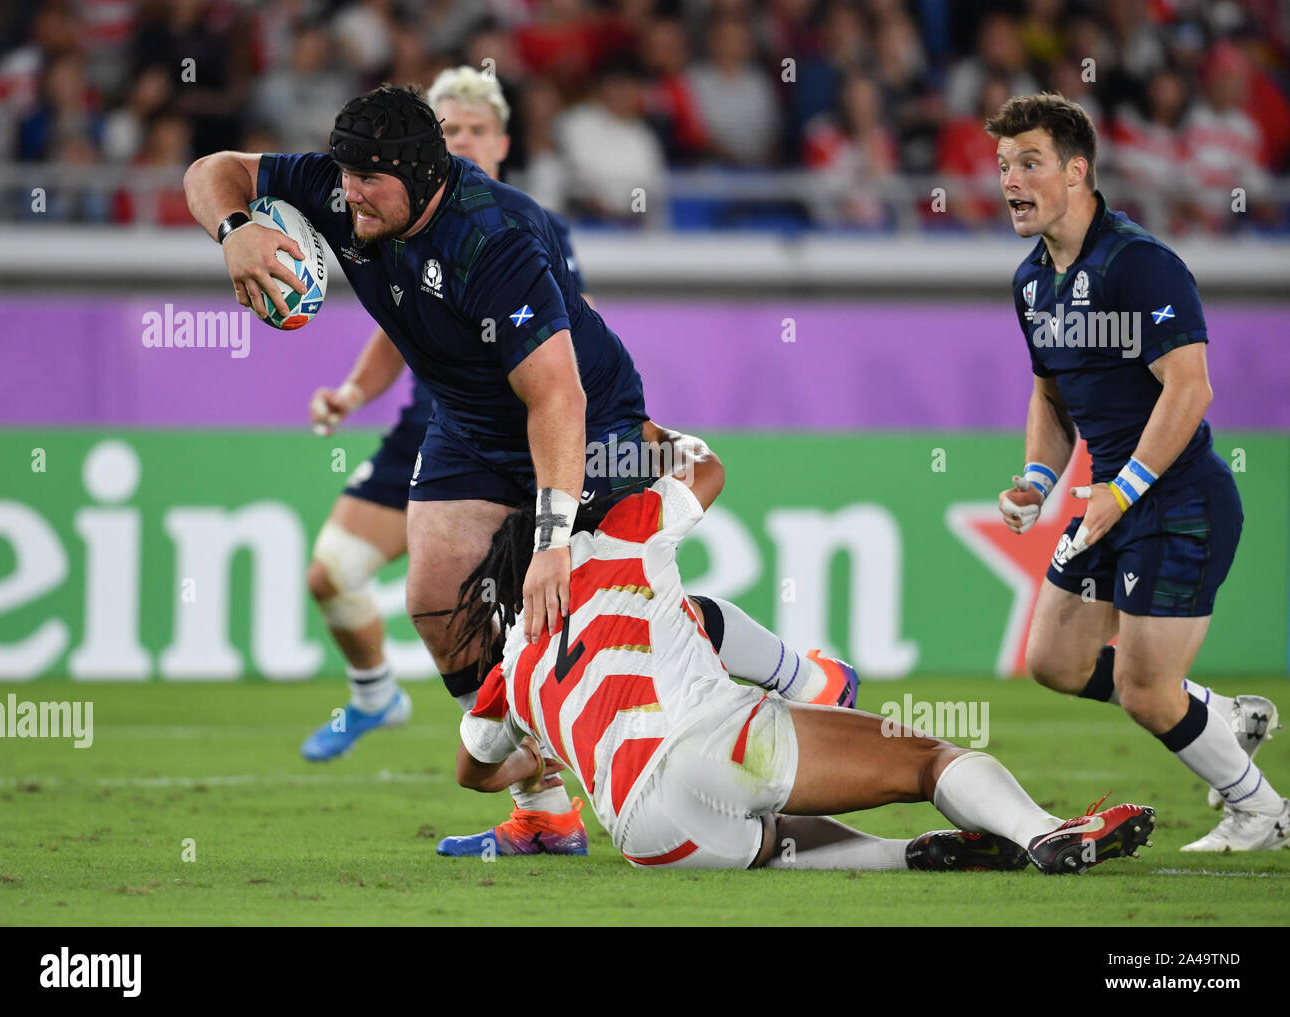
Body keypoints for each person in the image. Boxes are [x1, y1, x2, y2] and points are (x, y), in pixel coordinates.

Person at [184, 79, 855, 859]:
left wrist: (550, 540)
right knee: (437, 599)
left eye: (368, 180)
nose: (349, 197)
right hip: (469, 424)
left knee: (611, 598)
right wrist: (235, 228)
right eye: (345, 176)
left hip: (589, 422)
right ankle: (545, 810)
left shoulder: (497, 237)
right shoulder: (345, 190)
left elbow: (557, 399)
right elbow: (214, 167)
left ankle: (801, 674)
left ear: (420, 173)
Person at [450, 428, 1155, 873]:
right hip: (712, 745)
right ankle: (1043, 833)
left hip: (645, 837)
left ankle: (905, 856)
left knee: (771, 834)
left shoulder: (512, 671)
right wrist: (636, 427)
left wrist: (544, 754)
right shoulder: (624, 532)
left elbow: (472, 770)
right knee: (929, 760)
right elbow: (708, 467)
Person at [989, 93, 1285, 853]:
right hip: (1106, 501)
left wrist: (1121, 492)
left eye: (1029, 163)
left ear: (1077, 170)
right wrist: (1033, 479)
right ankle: (1217, 714)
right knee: (1053, 660)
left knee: (1144, 691)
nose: (1010, 181)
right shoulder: (1032, 282)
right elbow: (1050, 393)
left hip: (1176, 499)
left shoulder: (1140, 263)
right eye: (1002, 166)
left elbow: (1191, 389)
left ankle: (1264, 810)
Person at [297, 68, 597, 767]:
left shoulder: (526, 228)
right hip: (425, 431)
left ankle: (543, 781)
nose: (461, 141)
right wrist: (351, 392)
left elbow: (562, 361)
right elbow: (394, 320)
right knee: (332, 573)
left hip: (507, 438)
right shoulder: (397, 221)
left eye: (474, 130)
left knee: (514, 616)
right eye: (448, 129)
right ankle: (375, 694)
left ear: (501, 141)